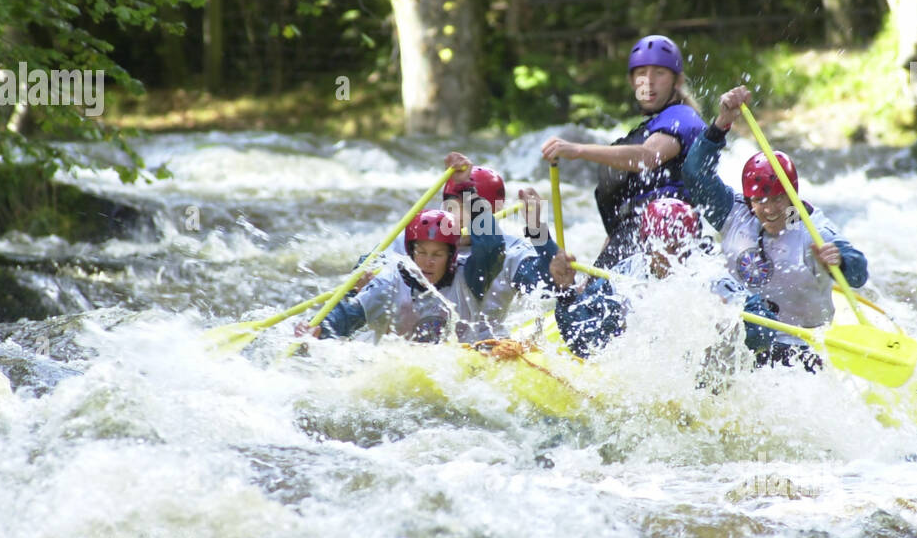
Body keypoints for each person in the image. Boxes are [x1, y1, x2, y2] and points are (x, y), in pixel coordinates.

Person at [683, 87, 868, 370]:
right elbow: (695, 175)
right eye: (759, 200)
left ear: (792, 194)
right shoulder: (735, 213)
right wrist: (721, 124)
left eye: (779, 198)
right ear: (749, 198)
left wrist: (840, 261)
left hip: (800, 347)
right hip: (740, 339)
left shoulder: (814, 230)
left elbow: (858, 274)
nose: (769, 209)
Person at [539, 35, 707, 269]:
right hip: (632, 237)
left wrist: (578, 150)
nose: (648, 82)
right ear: (632, 82)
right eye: (641, 74)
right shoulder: (648, 128)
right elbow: (622, 225)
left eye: (659, 73)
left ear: (677, 81)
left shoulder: (683, 117)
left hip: (666, 237)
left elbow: (648, 157)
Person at [546, 197, 776, 361]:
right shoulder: (626, 275)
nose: (673, 254)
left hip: (702, 381)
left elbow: (765, 334)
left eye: (681, 246)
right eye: (665, 246)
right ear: (647, 243)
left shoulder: (712, 277)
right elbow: (585, 342)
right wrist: (565, 293)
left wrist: (731, 320)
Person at [299, 209, 504, 343]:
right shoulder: (390, 281)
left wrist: (469, 194)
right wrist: (318, 330)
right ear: (411, 252)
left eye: (437, 255)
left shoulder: (468, 279)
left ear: (451, 257)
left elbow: (492, 248)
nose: (427, 262)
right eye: (422, 253)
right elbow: (347, 313)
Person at [441, 152, 560, 324]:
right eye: (449, 205)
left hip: (484, 343)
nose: (453, 216)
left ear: (492, 214)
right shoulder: (423, 239)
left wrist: (538, 231)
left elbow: (551, 285)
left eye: (466, 208)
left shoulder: (511, 253)